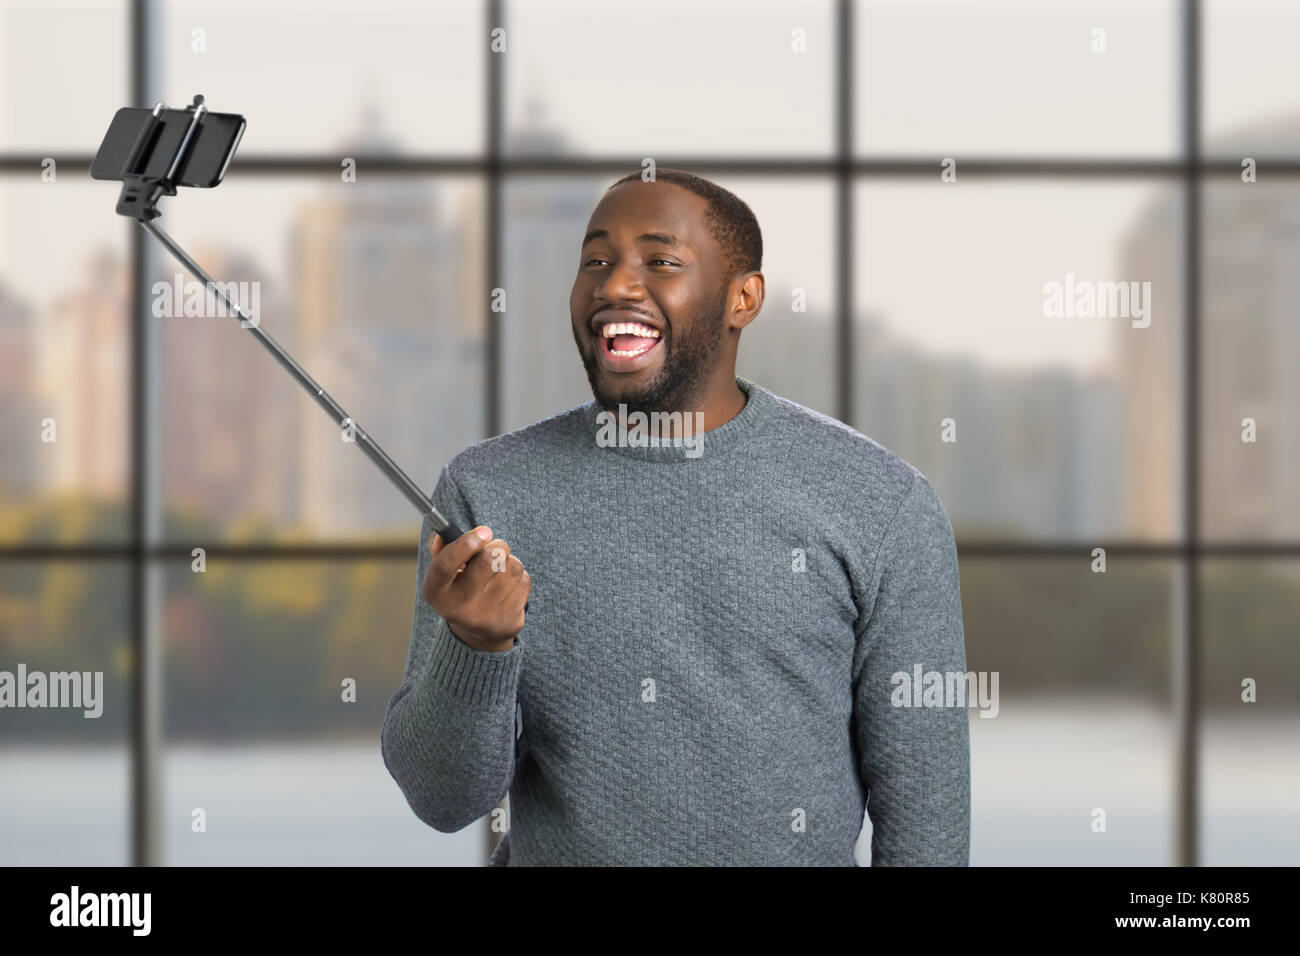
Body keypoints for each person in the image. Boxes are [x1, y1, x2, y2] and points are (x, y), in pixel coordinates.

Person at [380, 168, 970, 866]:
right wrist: (476, 648)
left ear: (742, 298)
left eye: (660, 261)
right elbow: (443, 801)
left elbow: (927, 820)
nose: (615, 286)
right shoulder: (484, 494)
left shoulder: (880, 502)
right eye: (594, 261)